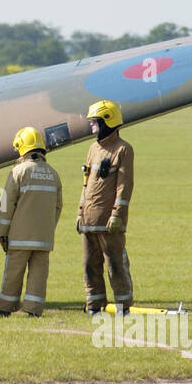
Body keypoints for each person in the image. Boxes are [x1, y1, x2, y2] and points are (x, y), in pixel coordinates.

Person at [0, 127, 62, 317]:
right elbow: (58, 207)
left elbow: (6, 204)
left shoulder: (18, 171)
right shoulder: (53, 174)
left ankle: (4, 308)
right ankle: (33, 310)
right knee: (39, 275)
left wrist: (2, 231)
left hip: (19, 237)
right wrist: (48, 228)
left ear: (21, 147)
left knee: (13, 274)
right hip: (44, 238)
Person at [77, 99, 134, 314]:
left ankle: (123, 306)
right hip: (89, 220)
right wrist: (80, 212)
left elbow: (124, 185)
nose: (91, 126)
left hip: (109, 222)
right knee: (89, 266)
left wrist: (117, 214)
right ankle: (94, 305)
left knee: (116, 265)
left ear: (107, 122)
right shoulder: (93, 148)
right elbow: (86, 183)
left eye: (95, 122)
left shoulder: (123, 149)